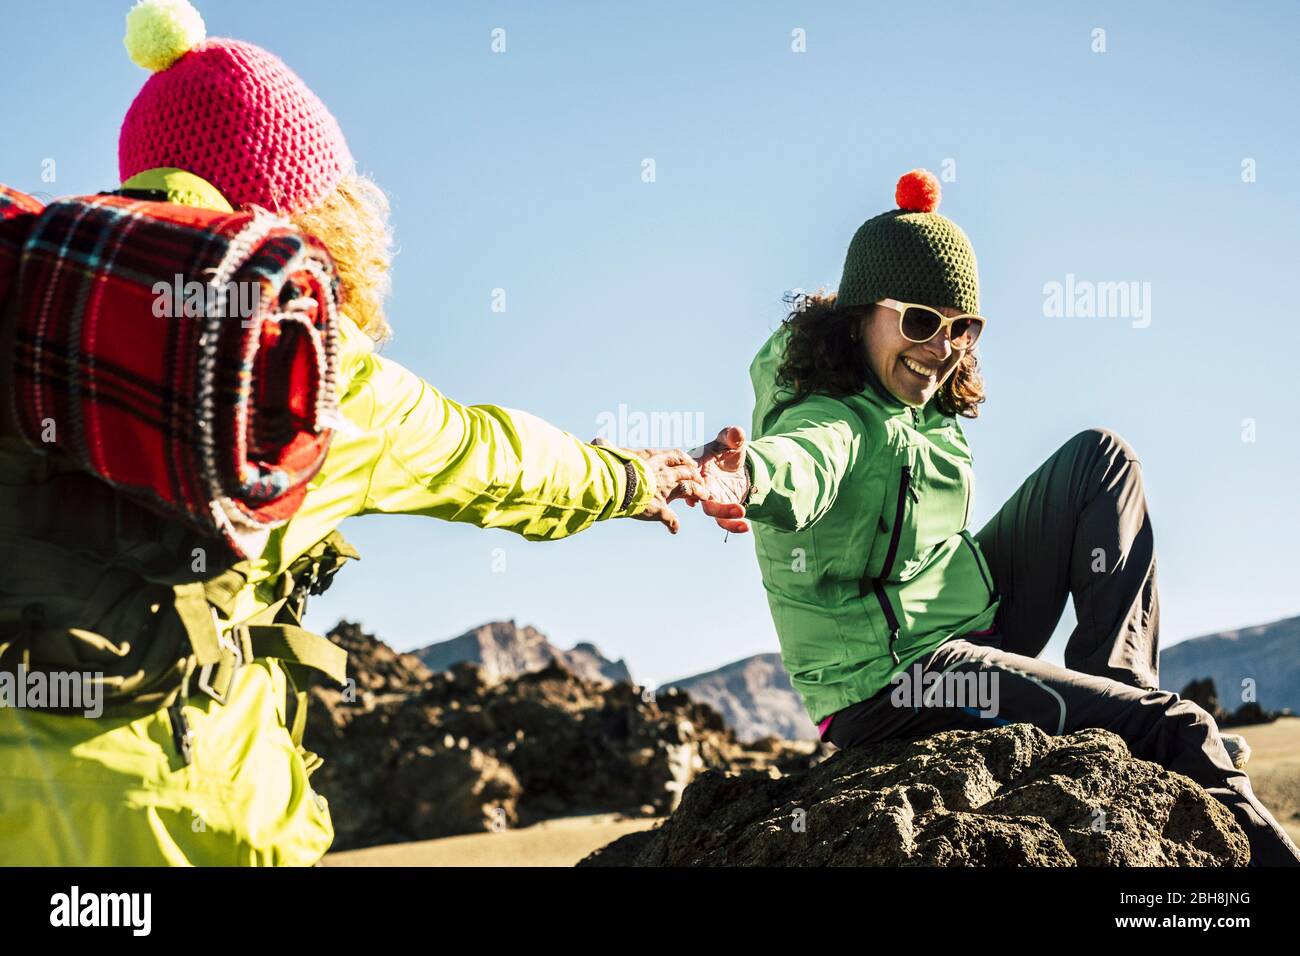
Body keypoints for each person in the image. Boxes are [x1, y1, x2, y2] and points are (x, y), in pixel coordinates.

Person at [0, 0, 740, 866]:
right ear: (319, 209)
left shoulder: (27, 306)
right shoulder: (310, 366)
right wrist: (643, 476)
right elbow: (503, 463)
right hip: (194, 823)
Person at [691, 167, 1300, 865]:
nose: (943, 348)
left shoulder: (913, 402)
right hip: (899, 684)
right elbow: (799, 463)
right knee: (1180, 728)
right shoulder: (835, 416)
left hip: (970, 620)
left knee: (1101, 458)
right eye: (920, 321)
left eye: (961, 328)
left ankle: (1119, 692)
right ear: (859, 314)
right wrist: (742, 475)